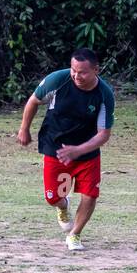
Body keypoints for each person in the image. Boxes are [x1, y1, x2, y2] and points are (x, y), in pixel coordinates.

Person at [17, 48, 116, 251]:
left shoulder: (104, 94)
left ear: (96, 70)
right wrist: (24, 129)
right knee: (53, 197)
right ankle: (63, 207)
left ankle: (75, 235)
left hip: (87, 153)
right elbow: (33, 101)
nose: (76, 76)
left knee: (90, 194)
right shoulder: (58, 80)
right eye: (73, 70)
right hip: (56, 148)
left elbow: (103, 134)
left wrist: (79, 150)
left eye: (82, 72)